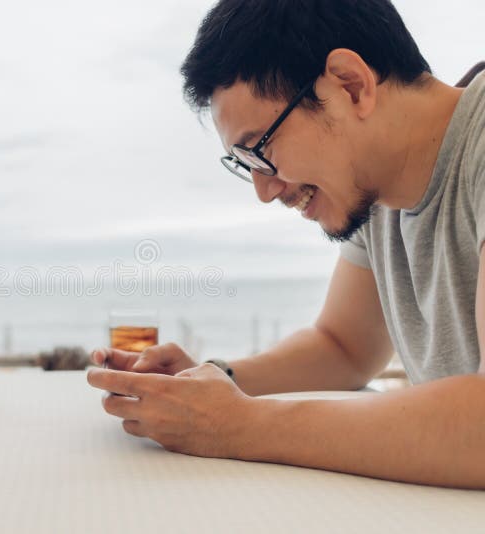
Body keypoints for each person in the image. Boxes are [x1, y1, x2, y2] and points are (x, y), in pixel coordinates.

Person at [87, 0, 485, 488]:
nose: (263, 191)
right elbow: (344, 347)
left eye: (261, 150)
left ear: (350, 85)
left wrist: (239, 426)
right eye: (245, 165)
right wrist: (213, 382)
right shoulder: (377, 190)